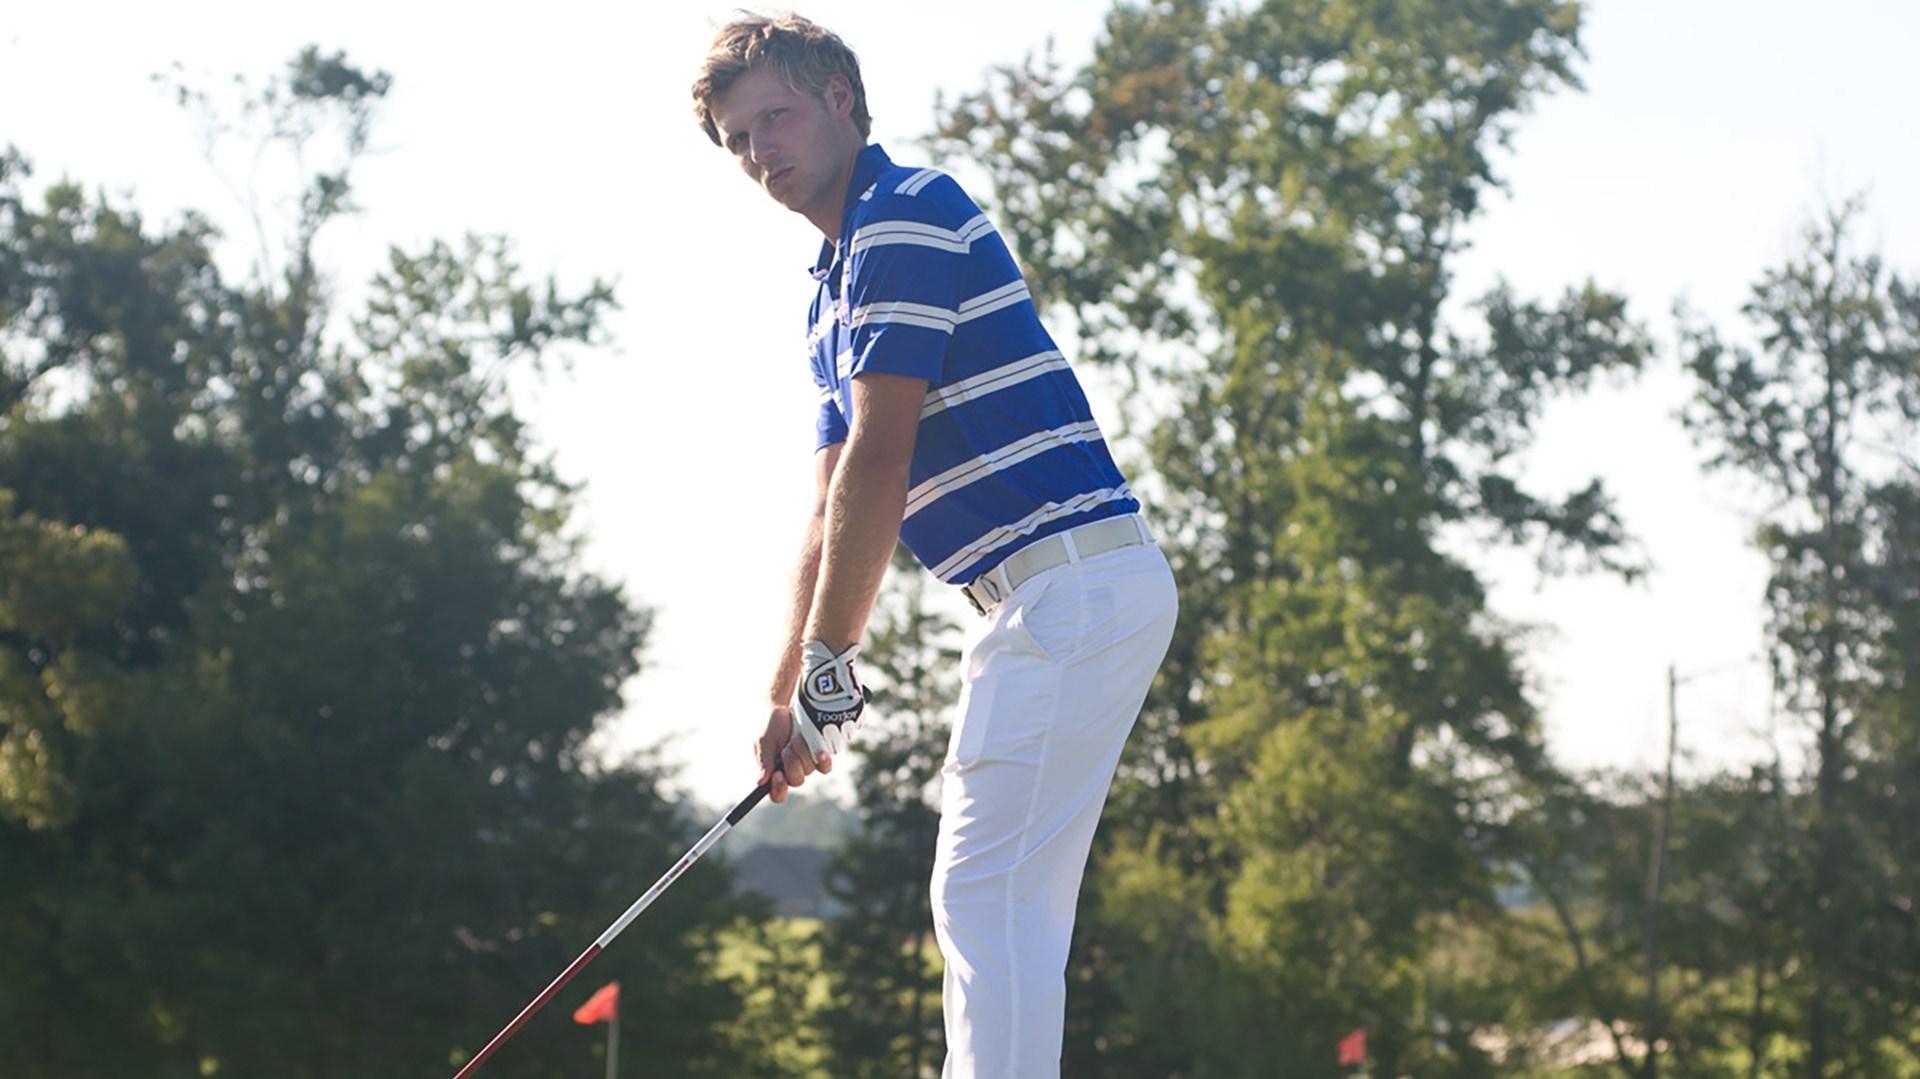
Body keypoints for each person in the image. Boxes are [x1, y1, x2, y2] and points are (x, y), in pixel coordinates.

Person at [691, 13, 1178, 1076]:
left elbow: (883, 454)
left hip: (1071, 581)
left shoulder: (905, 211)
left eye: (775, 116)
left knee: (986, 894)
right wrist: (787, 690)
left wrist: (831, 660)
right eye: (738, 138)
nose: (760, 149)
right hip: (1042, 597)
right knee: (997, 899)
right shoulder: (830, 286)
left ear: (840, 100)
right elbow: (828, 503)